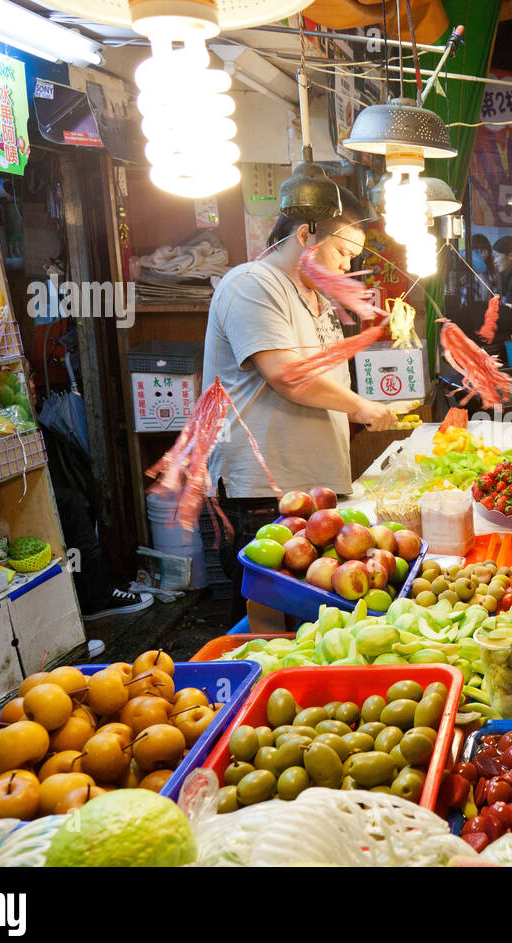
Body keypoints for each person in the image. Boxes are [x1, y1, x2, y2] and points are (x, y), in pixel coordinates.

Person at [204, 187, 397, 622]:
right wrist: (359, 408)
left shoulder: (315, 297)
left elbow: (321, 384)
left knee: (313, 630)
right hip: (265, 496)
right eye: (344, 251)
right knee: (268, 629)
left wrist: (355, 408)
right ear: (307, 235)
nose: (348, 265)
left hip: (315, 498)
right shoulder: (252, 284)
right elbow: (285, 375)